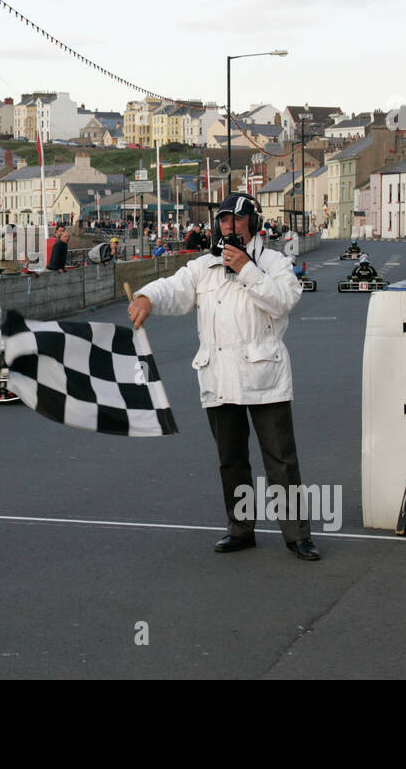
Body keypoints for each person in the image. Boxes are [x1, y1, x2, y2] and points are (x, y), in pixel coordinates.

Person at [128, 192, 320, 561]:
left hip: (264, 374)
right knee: (230, 459)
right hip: (218, 374)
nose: (229, 228)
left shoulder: (276, 263)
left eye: (238, 220)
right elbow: (174, 287)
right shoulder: (205, 266)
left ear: (255, 225)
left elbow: (284, 301)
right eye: (224, 221)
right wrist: (146, 298)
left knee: (280, 459)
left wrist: (247, 268)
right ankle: (240, 528)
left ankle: (297, 534)